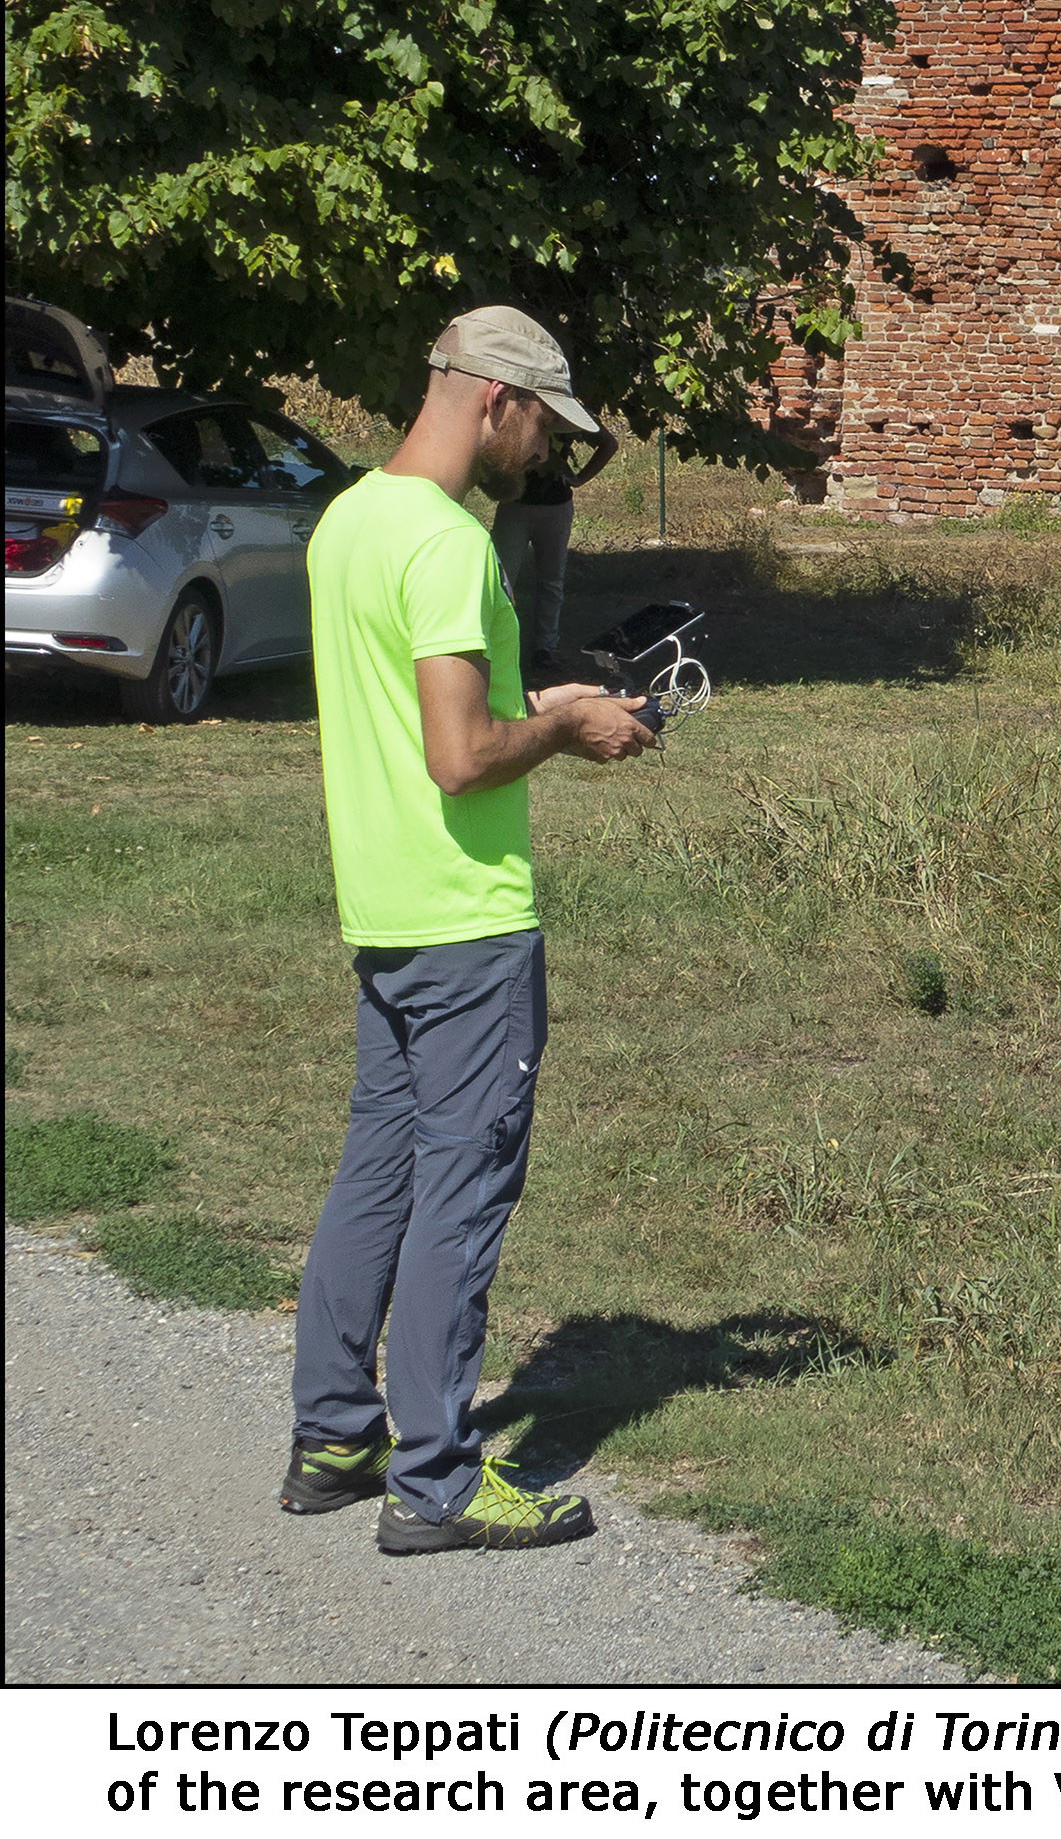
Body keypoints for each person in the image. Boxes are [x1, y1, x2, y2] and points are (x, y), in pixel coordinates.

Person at [281, 306, 659, 1554]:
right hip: (467, 924)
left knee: (375, 1175)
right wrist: (563, 732)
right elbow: (461, 758)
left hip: (384, 909)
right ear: (496, 397)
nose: (546, 453)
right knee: (462, 1188)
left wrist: (541, 697)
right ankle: (437, 1481)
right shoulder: (447, 544)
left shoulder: (352, 522)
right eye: (546, 425)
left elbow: (427, 707)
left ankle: (336, 1434)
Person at [492, 417, 617, 681]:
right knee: (503, 581)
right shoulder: (518, 407)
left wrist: (579, 479)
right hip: (514, 505)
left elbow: (608, 444)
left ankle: (544, 650)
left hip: (556, 506)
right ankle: (499, 648)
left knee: (551, 581)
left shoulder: (566, 412)